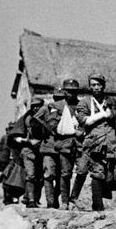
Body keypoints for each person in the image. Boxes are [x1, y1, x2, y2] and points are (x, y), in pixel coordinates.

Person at [69, 74, 116, 211]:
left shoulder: (113, 102)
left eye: (99, 84)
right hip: (92, 142)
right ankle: (73, 198)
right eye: (93, 85)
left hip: (108, 143)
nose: (96, 87)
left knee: (99, 172)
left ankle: (97, 205)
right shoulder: (85, 102)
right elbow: (84, 121)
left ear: (104, 85)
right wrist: (103, 115)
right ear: (90, 86)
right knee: (82, 170)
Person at [34, 79, 81, 209]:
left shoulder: (78, 106)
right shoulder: (49, 108)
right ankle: (50, 203)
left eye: (73, 91)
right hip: (49, 146)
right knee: (49, 174)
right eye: (67, 91)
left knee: (64, 175)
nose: (69, 94)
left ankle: (60, 201)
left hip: (66, 147)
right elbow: (35, 121)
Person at [9, 96, 45, 207]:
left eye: (38, 106)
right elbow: (15, 137)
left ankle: (33, 198)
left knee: (40, 177)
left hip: (42, 151)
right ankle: (31, 200)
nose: (36, 109)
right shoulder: (26, 118)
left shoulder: (46, 118)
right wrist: (28, 141)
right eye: (34, 106)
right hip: (28, 150)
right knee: (30, 175)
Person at [0, 123, 25, 205]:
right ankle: (7, 198)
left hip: (16, 163)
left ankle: (14, 197)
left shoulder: (18, 138)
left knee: (16, 182)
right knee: (5, 181)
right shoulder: (4, 138)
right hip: (6, 163)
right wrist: (0, 162)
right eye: (10, 129)